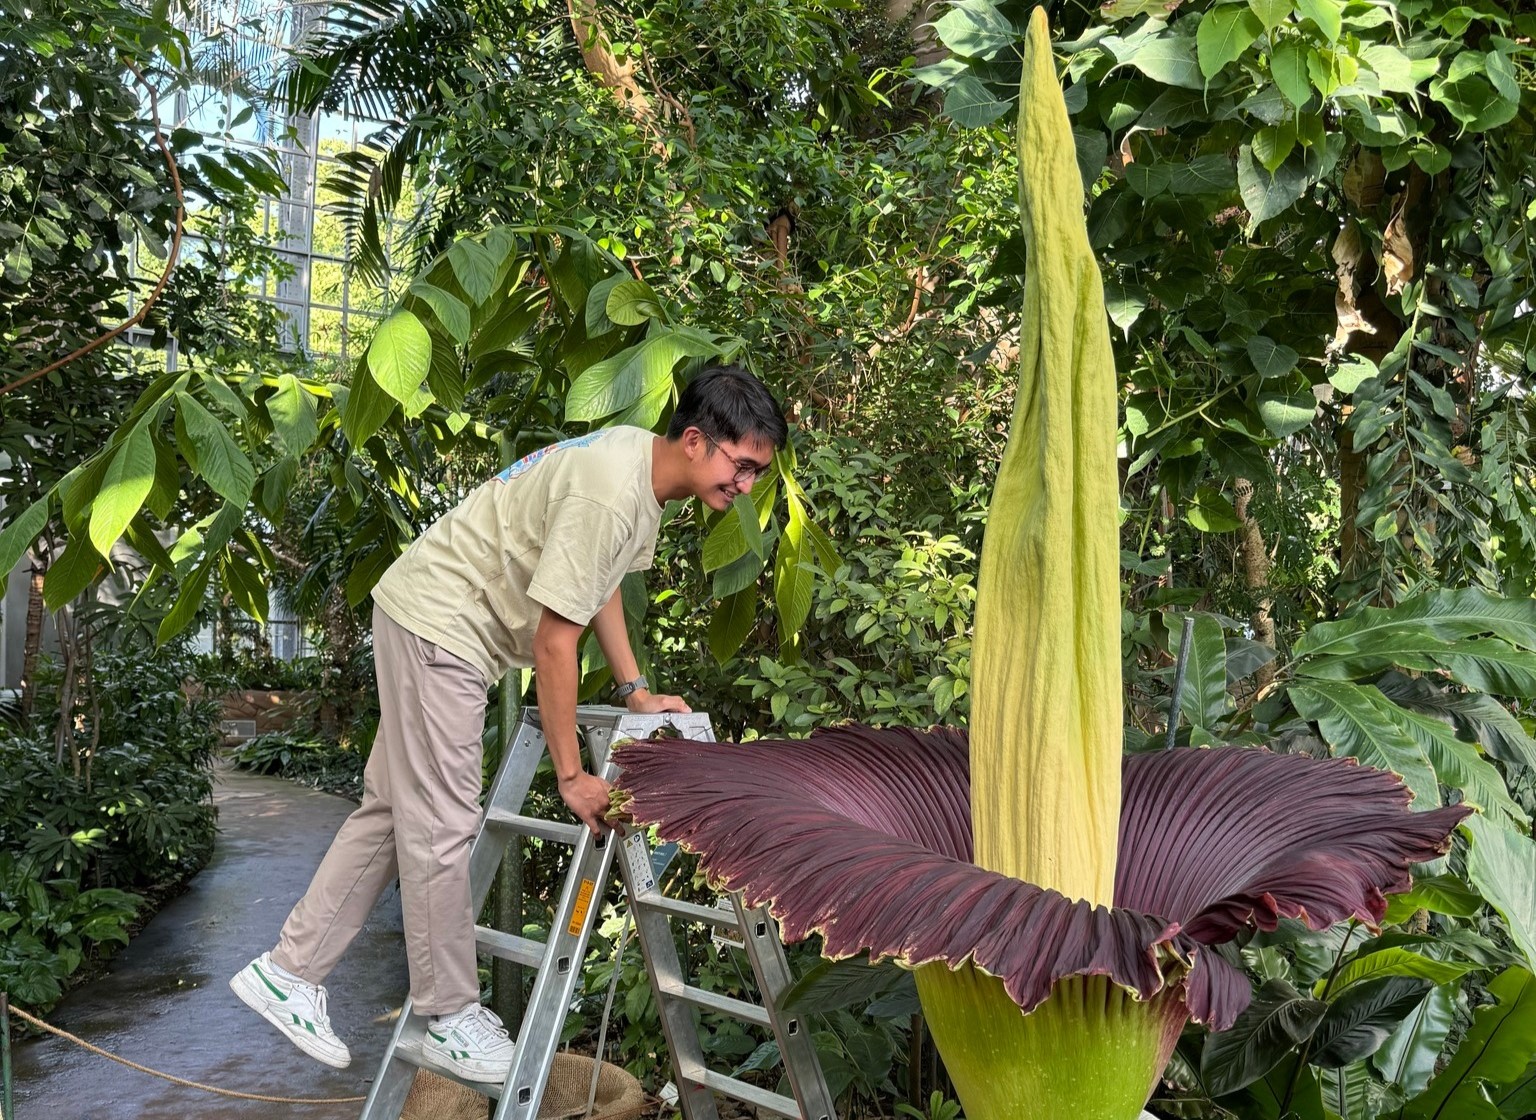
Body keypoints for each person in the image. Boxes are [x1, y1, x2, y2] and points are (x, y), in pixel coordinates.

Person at [230, 365, 787, 1082]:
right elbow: (555, 643)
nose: (745, 486)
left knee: (395, 810)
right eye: (740, 467)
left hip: (425, 613)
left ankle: (288, 971)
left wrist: (635, 689)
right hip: (444, 629)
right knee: (441, 826)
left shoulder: (630, 465)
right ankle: (449, 1017)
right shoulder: (612, 496)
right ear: (692, 441)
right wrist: (571, 776)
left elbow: (600, 582)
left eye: (755, 473)